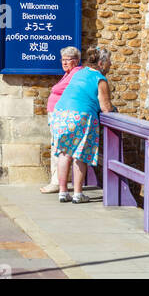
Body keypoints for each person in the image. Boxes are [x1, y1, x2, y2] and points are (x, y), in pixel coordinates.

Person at [51, 44, 114, 204]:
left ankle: (63, 192)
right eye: (109, 62)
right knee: (80, 154)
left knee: (64, 153)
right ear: (101, 63)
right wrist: (114, 110)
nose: (111, 65)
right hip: (80, 116)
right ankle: (78, 194)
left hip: (60, 114)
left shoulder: (80, 73)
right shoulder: (100, 79)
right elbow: (106, 108)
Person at [41, 46, 82, 194]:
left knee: (59, 149)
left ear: (76, 61)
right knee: (56, 147)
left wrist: (53, 88)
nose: (64, 63)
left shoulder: (76, 73)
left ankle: (57, 183)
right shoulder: (68, 73)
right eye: (63, 59)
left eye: (68, 60)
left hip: (62, 116)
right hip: (57, 115)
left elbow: (58, 89)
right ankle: (57, 181)